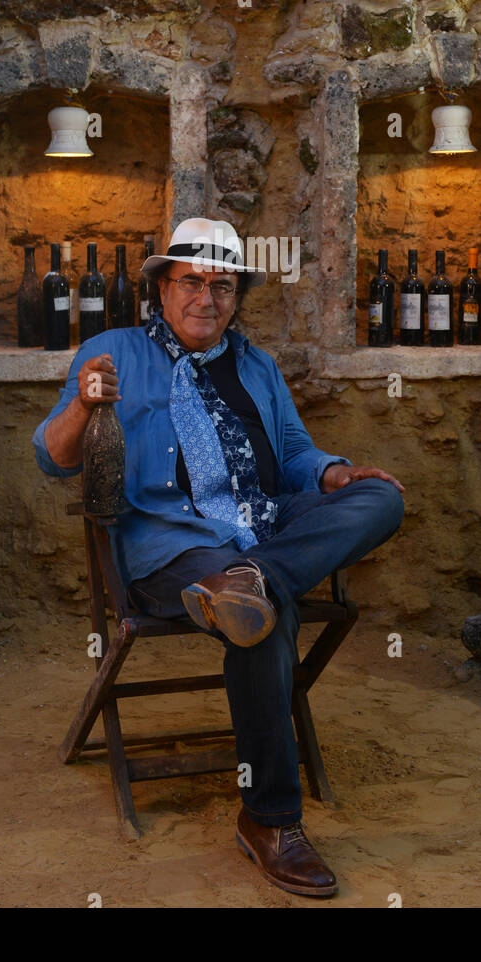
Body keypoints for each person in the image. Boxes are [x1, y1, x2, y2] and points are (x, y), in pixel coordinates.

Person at [33, 218, 405, 897]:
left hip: (262, 530)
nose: (206, 298)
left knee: (378, 501)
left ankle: (251, 582)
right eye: (192, 283)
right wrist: (84, 408)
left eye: (222, 286)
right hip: (171, 544)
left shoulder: (256, 365)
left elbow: (294, 457)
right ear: (161, 289)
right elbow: (53, 460)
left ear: (236, 297)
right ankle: (269, 821)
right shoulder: (112, 351)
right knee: (257, 621)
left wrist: (332, 475)